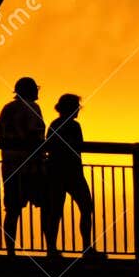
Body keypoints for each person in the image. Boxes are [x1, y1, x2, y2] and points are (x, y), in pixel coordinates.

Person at [41, 93, 102, 259]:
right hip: (72, 173)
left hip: (56, 172)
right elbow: (78, 146)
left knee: (55, 211)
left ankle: (51, 249)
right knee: (86, 207)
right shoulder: (74, 126)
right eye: (77, 107)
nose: (79, 110)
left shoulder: (54, 124)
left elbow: (49, 147)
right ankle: (86, 247)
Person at [0, 77, 45, 255]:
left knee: (12, 209)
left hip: (9, 164)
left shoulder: (8, 108)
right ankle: (50, 248)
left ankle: (10, 250)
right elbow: (34, 135)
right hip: (30, 165)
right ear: (31, 91)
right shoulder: (32, 108)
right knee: (46, 203)